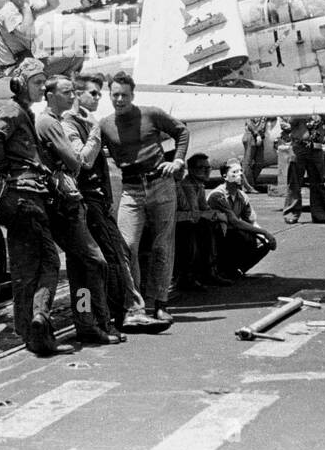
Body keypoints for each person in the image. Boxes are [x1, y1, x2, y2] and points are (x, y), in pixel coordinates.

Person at [0, 59, 70, 357]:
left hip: (18, 198)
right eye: (36, 81)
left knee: (23, 267)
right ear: (20, 84)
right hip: (25, 196)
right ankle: (40, 316)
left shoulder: (23, 114)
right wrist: (4, 167)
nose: (42, 87)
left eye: (44, 81)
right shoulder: (13, 110)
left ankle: (26, 329)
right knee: (50, 263)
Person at [62, 74, 165, 333]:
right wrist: (97, 131)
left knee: (88, 265)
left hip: (92, 201)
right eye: (94, 93)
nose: (100, 98)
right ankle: (122, 313)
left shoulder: (84, 121)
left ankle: (94, 319)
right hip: (88, 202)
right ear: (77, 94)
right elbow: (83, 160)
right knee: (110, 258)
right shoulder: (72, 125)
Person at [35, 76, 123, 345]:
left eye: (73, 91)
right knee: (96, 262)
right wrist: (96, 131)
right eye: (66, 91)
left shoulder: (50, 120)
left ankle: (85, 321)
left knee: (79, 268)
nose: (72, 95)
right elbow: (79, 161)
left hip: (64, 202)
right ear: (49, 94)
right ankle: (95, 322)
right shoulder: (51, 122)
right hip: (65, 205)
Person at [97, 71, 189, 324]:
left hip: (161, 184)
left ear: (132, 95)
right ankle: (135, 306)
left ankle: (160, 303)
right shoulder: (105, 124)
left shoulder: (151, 114)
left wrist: (178, 161)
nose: (119, 100)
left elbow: (181, 132)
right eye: (114, 95)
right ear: (109, 95)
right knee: (127, 246)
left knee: (162, 245)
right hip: (131, 188)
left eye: (124, 95)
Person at [207, 161, 279, 277]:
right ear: (225, 176)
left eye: (241, 171)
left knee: (264, 242)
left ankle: (238, 269)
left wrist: (267, 236)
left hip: (232, 232)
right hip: (216, 235)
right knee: (238, 236)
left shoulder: (242, 196)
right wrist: (263, 232)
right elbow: (234, 221)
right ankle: (223, 268)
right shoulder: (217, 195)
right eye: (234, 172)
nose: (240, 174)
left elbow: (251, 221)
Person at [174, 153, 233, 290]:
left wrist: (215, 215)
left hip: (186, 219)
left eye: (208, 168)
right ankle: (193, 275)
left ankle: (211, 271)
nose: (207, 171)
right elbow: (195, 214)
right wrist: (215, 215)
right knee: (202, 226)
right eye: (201, 168)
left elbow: (204, 208)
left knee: (211, 224)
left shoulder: (199, 185)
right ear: (192, 169)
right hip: (179, 222)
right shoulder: (188, 185)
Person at [0, 0, 60, 73]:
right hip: (13, 68)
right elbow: (27, 34)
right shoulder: (8, 12)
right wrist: (25, 5)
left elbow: (54, 4)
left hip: (26, 62)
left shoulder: (26, 9)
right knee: (73, 57)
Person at [282, 115, 325, 224]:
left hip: (316, 148)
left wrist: (323, 114)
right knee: (294, 182)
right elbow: (291, 121)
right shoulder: (299, 106)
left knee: (318, 183)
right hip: (299, 147)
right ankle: (291, 213)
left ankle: (320, 215)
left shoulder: (321, 107)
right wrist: (306, 115)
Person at [240, 117, 268, 193]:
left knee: (260, 162)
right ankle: (248, 186)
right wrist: (257, 134)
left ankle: (250, 183)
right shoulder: (252, 109)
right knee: (247, 162)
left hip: (260, 137)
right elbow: (249, 123)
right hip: (251, 136)